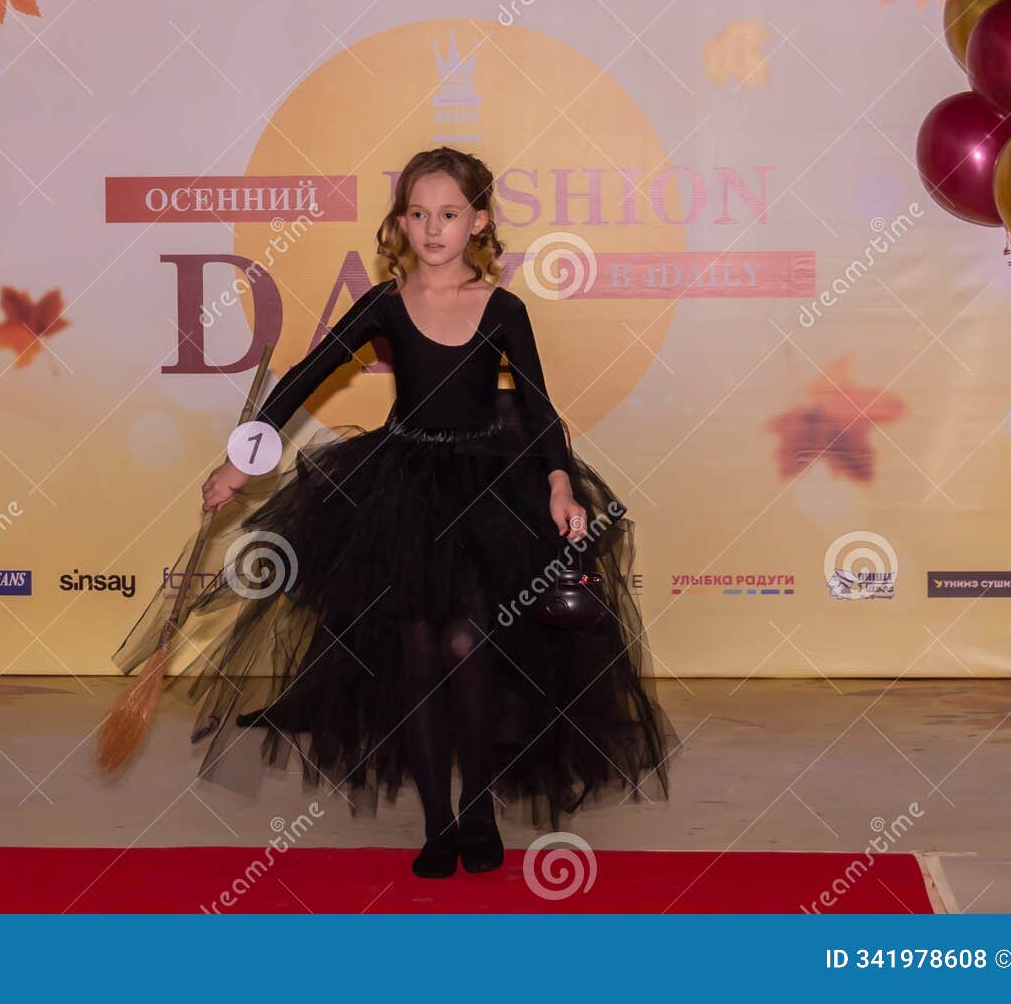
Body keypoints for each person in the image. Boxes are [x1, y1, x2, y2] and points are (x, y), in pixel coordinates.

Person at [119, 147, 674, 878]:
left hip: (485, 489)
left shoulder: (503, 309)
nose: (433, 229)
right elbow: (305, 375)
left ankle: (477, 807)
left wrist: (560, 485)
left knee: (467, 644)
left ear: (479, 221)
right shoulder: (385, 303)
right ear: (400, 222)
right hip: (402, 487)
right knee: (417, 653)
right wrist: (240, 460)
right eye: (418, 213)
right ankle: (438, 821)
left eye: (449, 214)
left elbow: (538, 409)